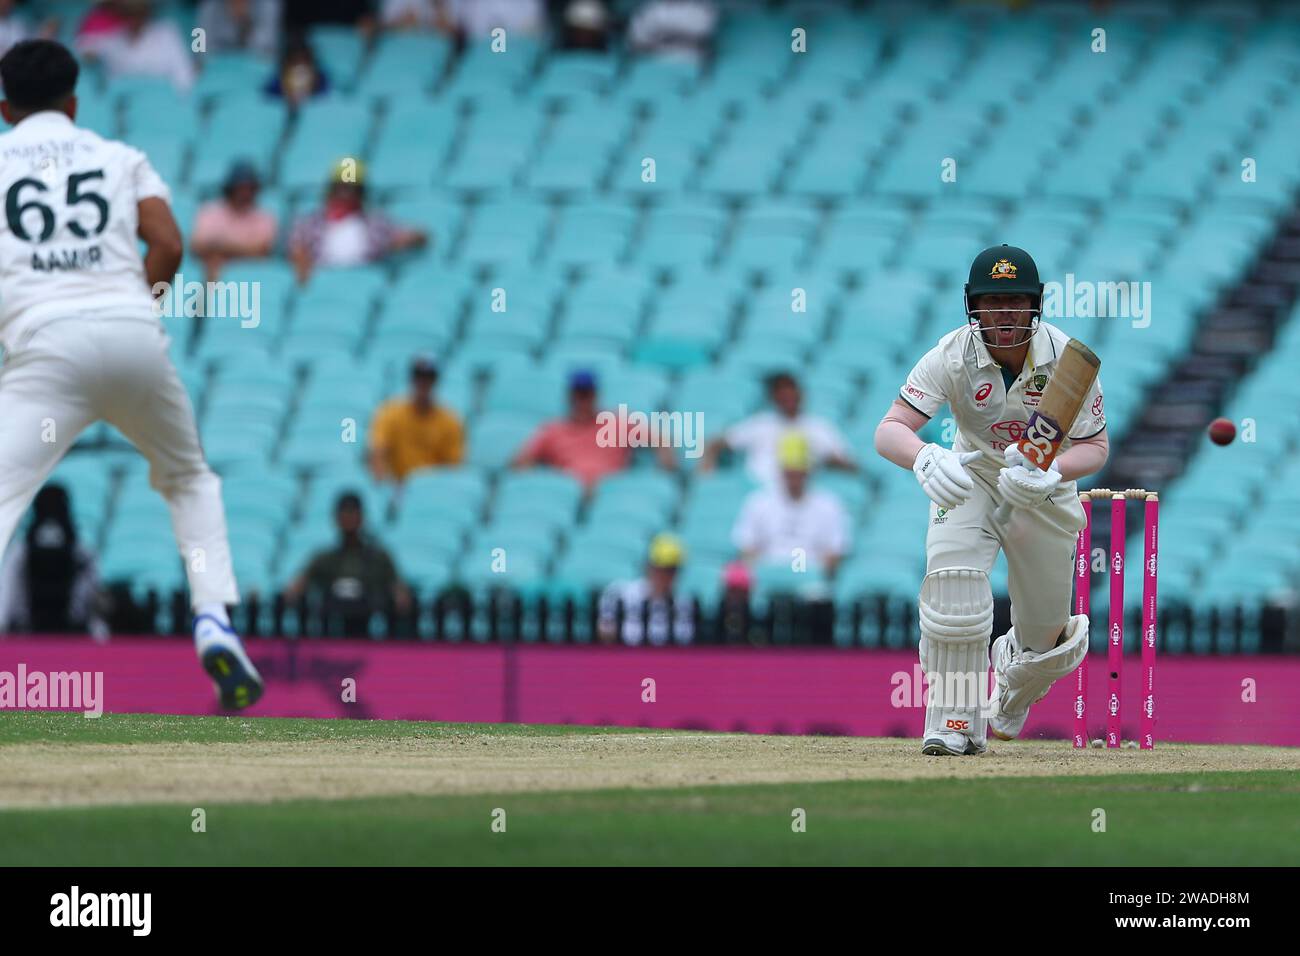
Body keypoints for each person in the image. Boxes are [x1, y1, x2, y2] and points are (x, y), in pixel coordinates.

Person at [0, 39, 261, 708]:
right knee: (189, 480)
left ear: (4, 109)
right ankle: (212, 620)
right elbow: (170, 244)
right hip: (132, 339)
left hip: (43, 349)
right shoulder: (120, 158)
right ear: (75, 102)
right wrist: (134, 313)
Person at [873, 244, 1109, 757]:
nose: (1004, 312)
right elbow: (889, 429)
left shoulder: (1067, 360)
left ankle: (1012, 681)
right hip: (972, 478)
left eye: (1015, 300)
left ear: (1035, 305)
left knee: (1048, 641)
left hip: (1041, 492)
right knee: (952, 588)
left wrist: (1052, 470)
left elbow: (1096, 447)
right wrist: (924, 458)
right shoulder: (951, 354)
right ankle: (954, 719)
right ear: (973, 306)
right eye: (992, 300)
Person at [282, 492, 411, 634]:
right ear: (336, 519)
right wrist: (295, 588)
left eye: (353, 513)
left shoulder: (379, 558)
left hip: (368, 623)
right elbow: (300, 582)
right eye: (344, 513)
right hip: (330, 627)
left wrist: (400, 594)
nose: (349, 518)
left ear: (362, 518)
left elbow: (397, 587)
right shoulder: (325, 558)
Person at [699, 371, 856, 487]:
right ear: (773, 399)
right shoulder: (760, 424)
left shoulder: (819, 428)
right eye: (782, 397)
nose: (788, 401)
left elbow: (849, 464)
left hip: (803, 492)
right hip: (759, 490)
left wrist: (827, 459)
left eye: (791, 396)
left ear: (800, 395)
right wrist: (707, 471)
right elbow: (717, 443)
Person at [288, 159, 428, 283]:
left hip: (363, 280)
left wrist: (413, 237)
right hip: (324, 278)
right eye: (340, 189)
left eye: (351, 189)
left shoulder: (376, 223)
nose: (345, 196)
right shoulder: (311, 223)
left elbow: (407, 236)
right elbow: (297, 248)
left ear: (361, 192)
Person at [731, 432, 850, 578]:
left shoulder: (829, 504)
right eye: (790, 472)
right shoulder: (758, 502)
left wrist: (807, 574)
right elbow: (746, 547)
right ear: (781, 471)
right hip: (768, 577)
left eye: (799, 472)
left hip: (811, 580)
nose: (794, 478)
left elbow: (835, 552)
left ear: (809, 471)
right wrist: (767, 571)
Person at [0, 484, 107, 638]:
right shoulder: (83, 551)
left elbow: (6, 593)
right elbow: (95, 590)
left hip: (34, 635)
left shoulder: (20, 550)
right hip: (66, 635)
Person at [513, 369, 630, 491]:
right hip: (566, 492)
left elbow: (651, 437)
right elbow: (522, 460)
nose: (582, 402)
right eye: (578, 395)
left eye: (586, 395)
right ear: (569, 397)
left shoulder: (617, 423)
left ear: (595, 396)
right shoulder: (553, 430)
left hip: (610, 491)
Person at [368, 355, 464, 483]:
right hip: (396, 487)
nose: (423, 383)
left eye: (428, 378)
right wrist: (383, 485)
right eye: (419, 377)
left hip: (431, 489)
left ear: (435, 381)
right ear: (411, 380)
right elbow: (378, 452)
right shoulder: (390, 413)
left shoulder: (450, 421)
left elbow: (452, 467)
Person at [76, 0, 196, 93]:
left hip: (163, 106)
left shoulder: (166, 33)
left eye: (137, 11)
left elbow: (184, 75)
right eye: (128, 12)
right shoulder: (115, 39)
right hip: (126, 109)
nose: (133, 18)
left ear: (146, 12)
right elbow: (84, 48)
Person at [597, 533, 694, 646]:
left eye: (672, 570)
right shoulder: (621, 593)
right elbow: (604, 631)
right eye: (661, 569)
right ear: (649, 567)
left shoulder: (683, 604)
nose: (666, 576)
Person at [190, 159, 277, 280]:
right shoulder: (210, 211)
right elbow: (197, 246)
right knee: (212, 263)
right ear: (230, 188)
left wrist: (221, 247)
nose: (245, 193)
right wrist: (240, 249)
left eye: (249, 188)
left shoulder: (265, 217)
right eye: (240, 188)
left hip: (250, 275)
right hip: (213, 268)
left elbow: (261, 251)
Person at [627, 0, 717, 65]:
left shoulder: (703, 12)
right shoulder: (649, 10)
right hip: (647, 64)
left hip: (693, 64)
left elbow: (704, 43)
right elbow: (637, 41)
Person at [197, 0, 281, 57]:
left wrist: (244, 22)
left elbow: (266, 51)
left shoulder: (268, 4)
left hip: (257, 75)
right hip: (220, 74)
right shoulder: (210, 6)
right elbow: (202, 51)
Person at [263, 34, 329, 105]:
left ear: (314, 74)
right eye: (293, 74)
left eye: (303, 74)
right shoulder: (271, 91)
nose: (299, 82)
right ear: (283, 75)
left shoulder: (325, 92)